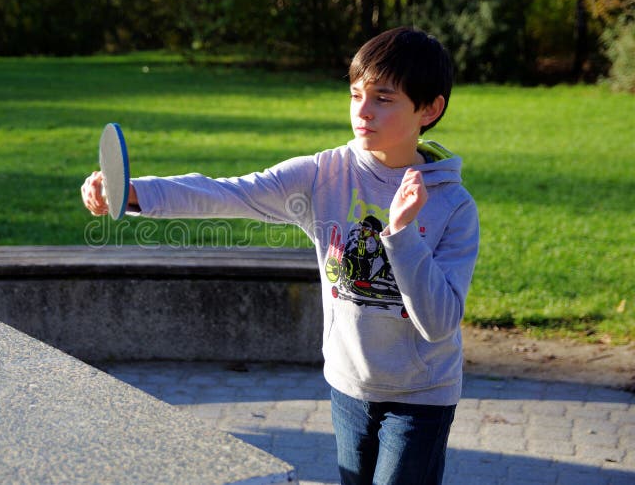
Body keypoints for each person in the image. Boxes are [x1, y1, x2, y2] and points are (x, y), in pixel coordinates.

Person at [81, 26, 480, 485]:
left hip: (421, 396)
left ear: (430, 108)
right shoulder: (323, 174)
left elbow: (439, 321)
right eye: (355, 95)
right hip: (349, 387)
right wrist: (135, 193)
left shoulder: (453, 205)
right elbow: (231, 194)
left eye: (383, 99)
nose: (363, 112)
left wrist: (402, 231)